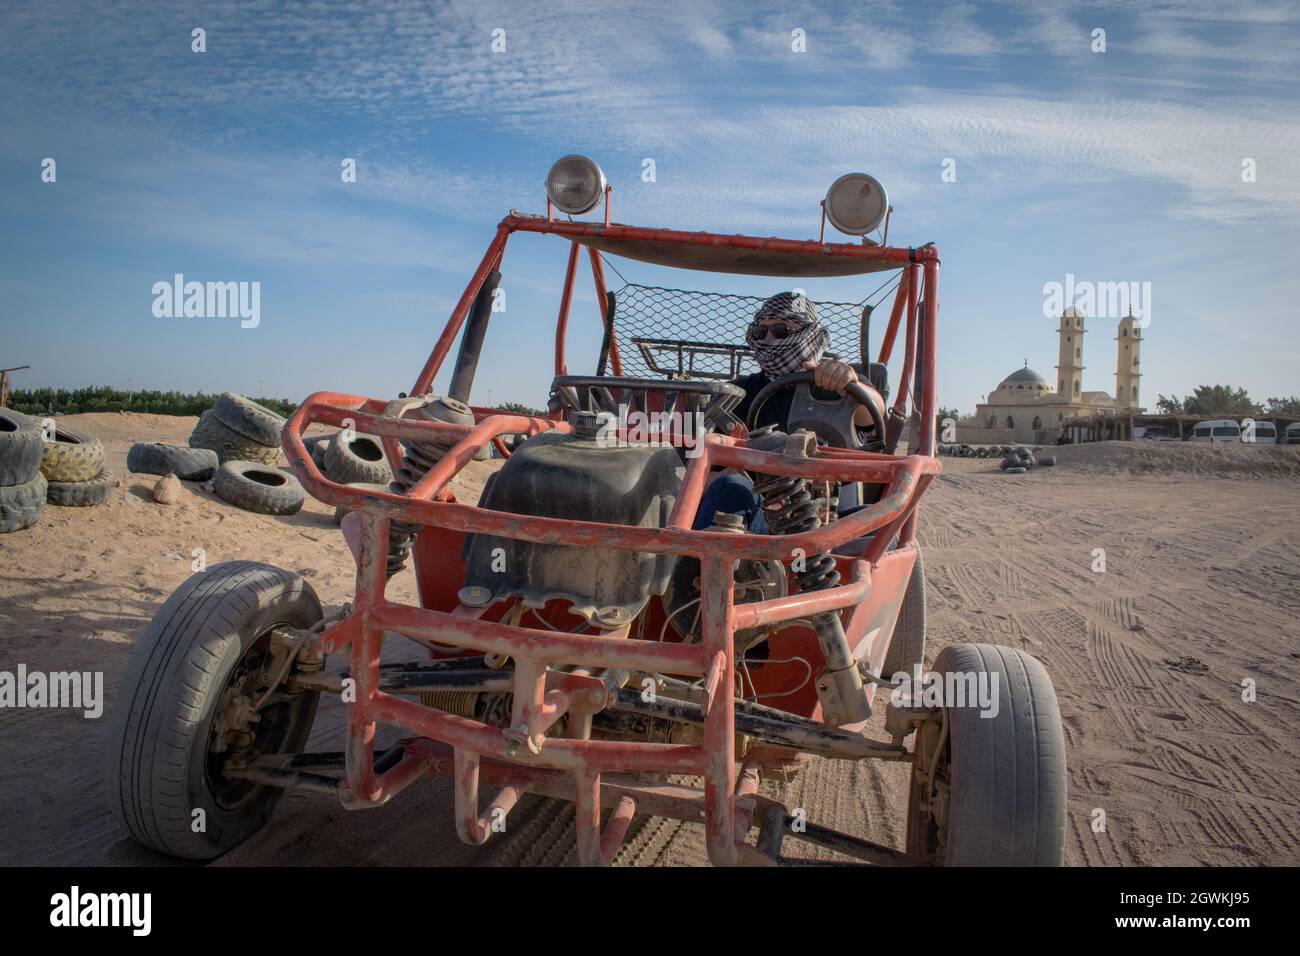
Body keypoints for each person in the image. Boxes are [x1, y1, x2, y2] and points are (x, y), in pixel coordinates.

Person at [693, 291, 879, 531]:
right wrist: (722, 474)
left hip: (824, 522)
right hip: (757, 516)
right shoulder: (739, 391)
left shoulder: (840, 386)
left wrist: (848, 382)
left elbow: (872, 414)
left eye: (781, 330)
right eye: (761, 332)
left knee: (879, 521)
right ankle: (704, 567)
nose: (769, 339)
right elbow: (692, 464)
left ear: (810, 334)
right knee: (729, 487)